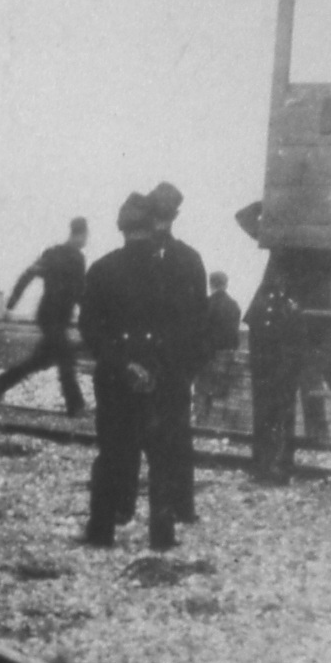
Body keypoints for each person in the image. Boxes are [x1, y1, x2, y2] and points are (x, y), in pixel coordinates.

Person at [79, 193, 185, 550]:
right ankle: (162, 537)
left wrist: (124, 364)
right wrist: (156, 368)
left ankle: (100, 532)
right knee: (162, 458)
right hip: (161, 379)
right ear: (152, 227)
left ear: (122, 228)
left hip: (114, 379)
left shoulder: (101, 269)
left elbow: (90, 330)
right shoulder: (169, 271)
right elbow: (184, 329)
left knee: (112, 455)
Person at [237, 201, 331, 484]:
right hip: (281, 322)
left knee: (274, 397)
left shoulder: (298, 243)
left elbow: (245, 217)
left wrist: (278, 201)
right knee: (277, 397)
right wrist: (282, 197)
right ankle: (273, 464)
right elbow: (243, 217)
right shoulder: (305, 243)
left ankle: (272, 464)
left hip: (282, 323)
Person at [146, 182, 210, 524]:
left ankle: (176, 507)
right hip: (160, 362)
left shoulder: (184, 259)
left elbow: (200, 318)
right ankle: (174, 508)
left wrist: (189, 365)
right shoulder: (188, 258)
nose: (161, 222)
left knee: (167, 435)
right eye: (160, 215)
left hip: (163, 363)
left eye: (164, 215)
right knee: (170, 435)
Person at [0, 217, 88, 416]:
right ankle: (75, 405)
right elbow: (79, 292)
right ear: (80, 235)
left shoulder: (53, 254)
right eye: (85, 236)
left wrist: (12, 303)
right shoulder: (73, 258)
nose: (86, 241)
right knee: (66, 359)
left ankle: (1, 383)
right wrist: (91, 312)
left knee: (40, 360)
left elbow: (28, 275)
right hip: (53, 318)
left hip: (51, 316)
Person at [196, 270, 242, 419]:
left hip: (207, 356)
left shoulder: (205, 304)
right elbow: (234, 334)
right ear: (226, 284)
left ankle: (203, 421)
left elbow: (200, 331)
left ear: (210, 284)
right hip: (227, 355)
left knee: (203, 395)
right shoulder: (234, 305)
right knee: (225, 396)